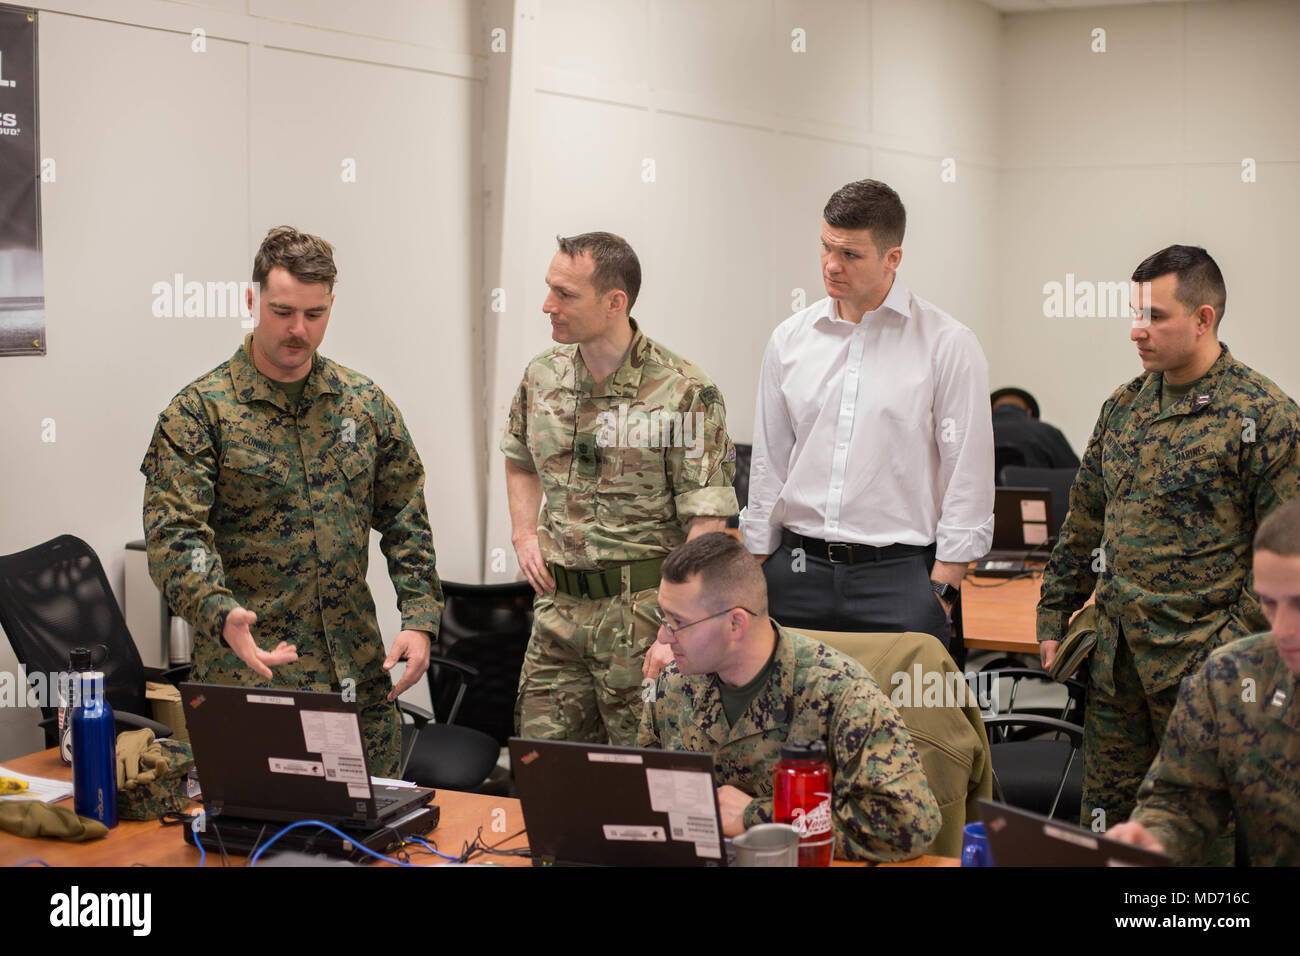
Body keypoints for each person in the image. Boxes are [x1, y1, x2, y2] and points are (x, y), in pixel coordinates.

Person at [141, 226, 442, 777]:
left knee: (370, 841)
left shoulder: (364, 405)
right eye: (282, 312)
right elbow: (175, 538)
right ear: (252, 300)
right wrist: (218, 610)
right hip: (252, 678)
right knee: (254, 842)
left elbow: (406, 519)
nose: (298, 330)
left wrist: (420, 618)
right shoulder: (198, 414)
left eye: (314, 314)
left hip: (354, 678)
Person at [1037, 244, 1300, 831]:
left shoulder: (1262, 415)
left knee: (1204, 833)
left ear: (1204, 318)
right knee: (1112, 831)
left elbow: (1285, 558)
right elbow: (1083, 521)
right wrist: (1054, 613)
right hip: (1117, 666)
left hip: (1205, 670)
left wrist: (1224, 658)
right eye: (1135, 313)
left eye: (1155, 316)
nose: (1137, 331)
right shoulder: (1123, 407)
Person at [502, 232, 737, 747]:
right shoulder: (542, 376)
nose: (548, 306)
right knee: (546, 773)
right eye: (549, 289)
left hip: (644, 615)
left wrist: (677, 629)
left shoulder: (683, 390)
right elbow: (519, 457)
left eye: (565, 295)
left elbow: (707, 522)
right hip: (557, 611)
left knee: (646, 787)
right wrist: (524, 534)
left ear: (615, 303)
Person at [740, 179, 994, 645]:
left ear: (892, 258)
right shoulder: (790, 339)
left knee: (908, 718)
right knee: (792, 718)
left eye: (851, 255)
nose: (832, 265)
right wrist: (757, 565)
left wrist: (943, 586)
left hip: (900, 579)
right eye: (825, 247)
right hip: (796, 573)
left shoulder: (948, 344)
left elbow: (968, 476)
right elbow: (769, 462)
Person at [638, 532, 942, 861]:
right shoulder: (673, 684)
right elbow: (643, 792)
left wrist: (756, 817)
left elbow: (906, 827)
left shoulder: (839, 693)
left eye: (678, 622)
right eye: (663, 618)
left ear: (735, 624)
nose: (662, 637)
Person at [1108, 498, 1300, 865]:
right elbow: (1181, 801)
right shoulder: (1233, 676)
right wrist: (1151, 837)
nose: (1282, 629)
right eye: (1269, 603)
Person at [990, 386, 1080, 471]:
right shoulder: (1047, 432)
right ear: (1029, 412)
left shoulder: (979, 434)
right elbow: (1075, 475)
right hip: (1038, 485)